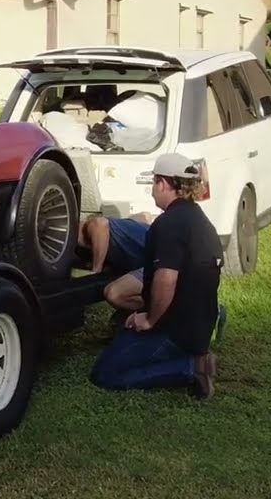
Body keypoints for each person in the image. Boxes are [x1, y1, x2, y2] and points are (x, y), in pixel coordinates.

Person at [88, 152, 225, 399]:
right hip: (200, 325)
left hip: (174, 331)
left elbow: (166, 279)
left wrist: (149, 320)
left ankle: (191, 367)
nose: (152, 190)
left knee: (105, 374)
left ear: (163, 183)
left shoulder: (168, 224)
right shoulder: (201, 221)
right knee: (124, 340)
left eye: (153, 182)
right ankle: (190, 358)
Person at [78, 212, 154, 317]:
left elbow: (98, 223)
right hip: (152, 265)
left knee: (114, 294)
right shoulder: (117, 244)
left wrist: (96, 270)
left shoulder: (95, 226)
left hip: (163, 261)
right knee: (117, 296)